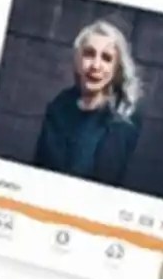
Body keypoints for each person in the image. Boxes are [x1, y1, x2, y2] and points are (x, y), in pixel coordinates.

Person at [34, 19, 144, 187]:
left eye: (106, 58)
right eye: (89, 54)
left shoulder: (122, 120)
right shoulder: (59, 106)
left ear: (116, 69)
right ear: (78, 60)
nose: (96, 65)